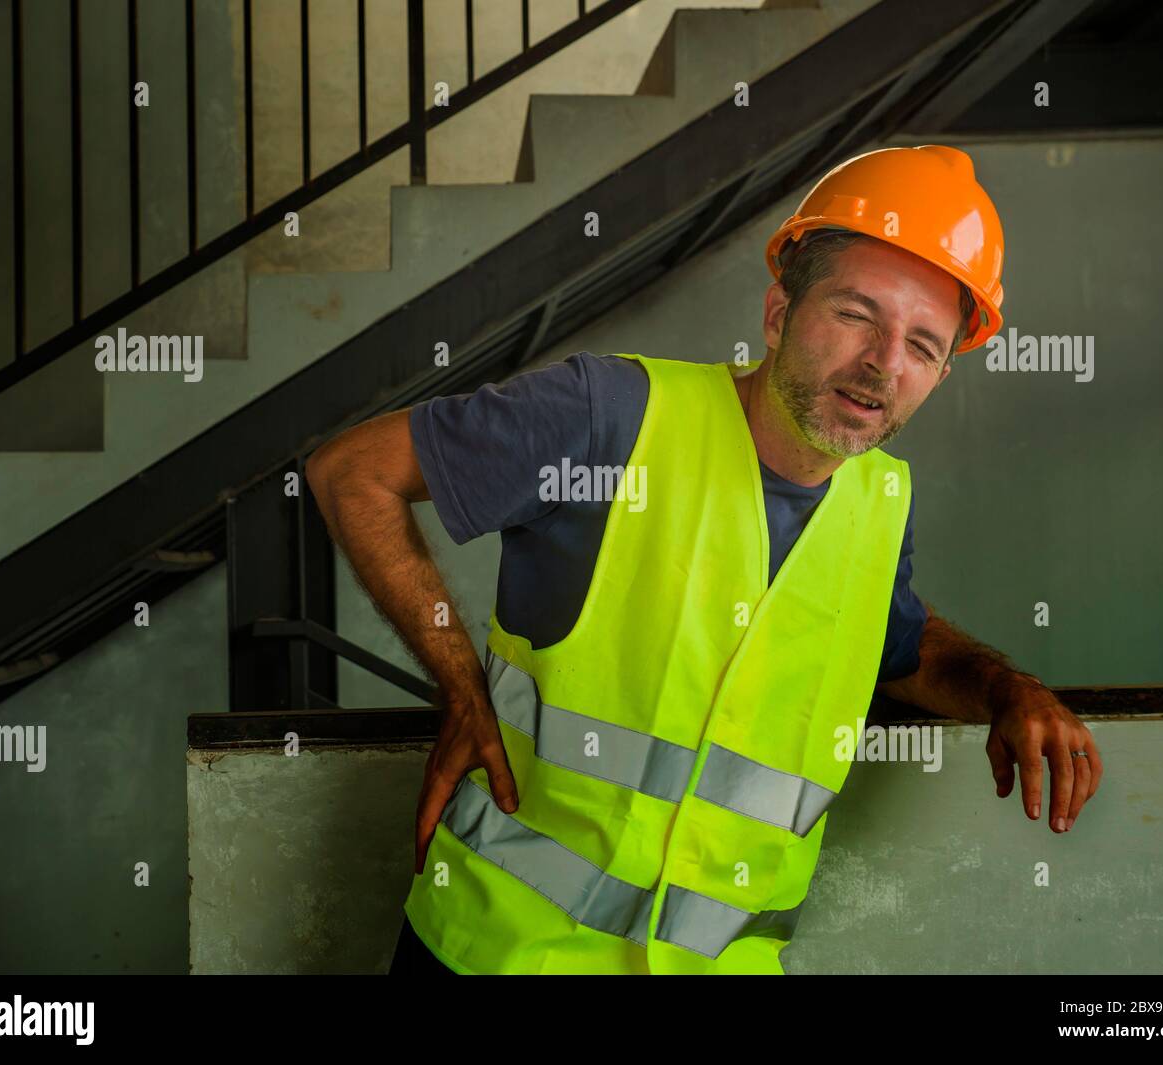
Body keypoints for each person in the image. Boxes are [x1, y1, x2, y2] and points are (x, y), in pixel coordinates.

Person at [308, 145, 1104, 976]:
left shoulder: (880, 504)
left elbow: (898, 646)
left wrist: (1011, 690)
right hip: (499, 955)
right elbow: (351, 472)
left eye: (923, 343)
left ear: (942, 370)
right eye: (856, 314)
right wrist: (459, 684)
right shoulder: (607, 417)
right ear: (777, 313)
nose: (882, 363)